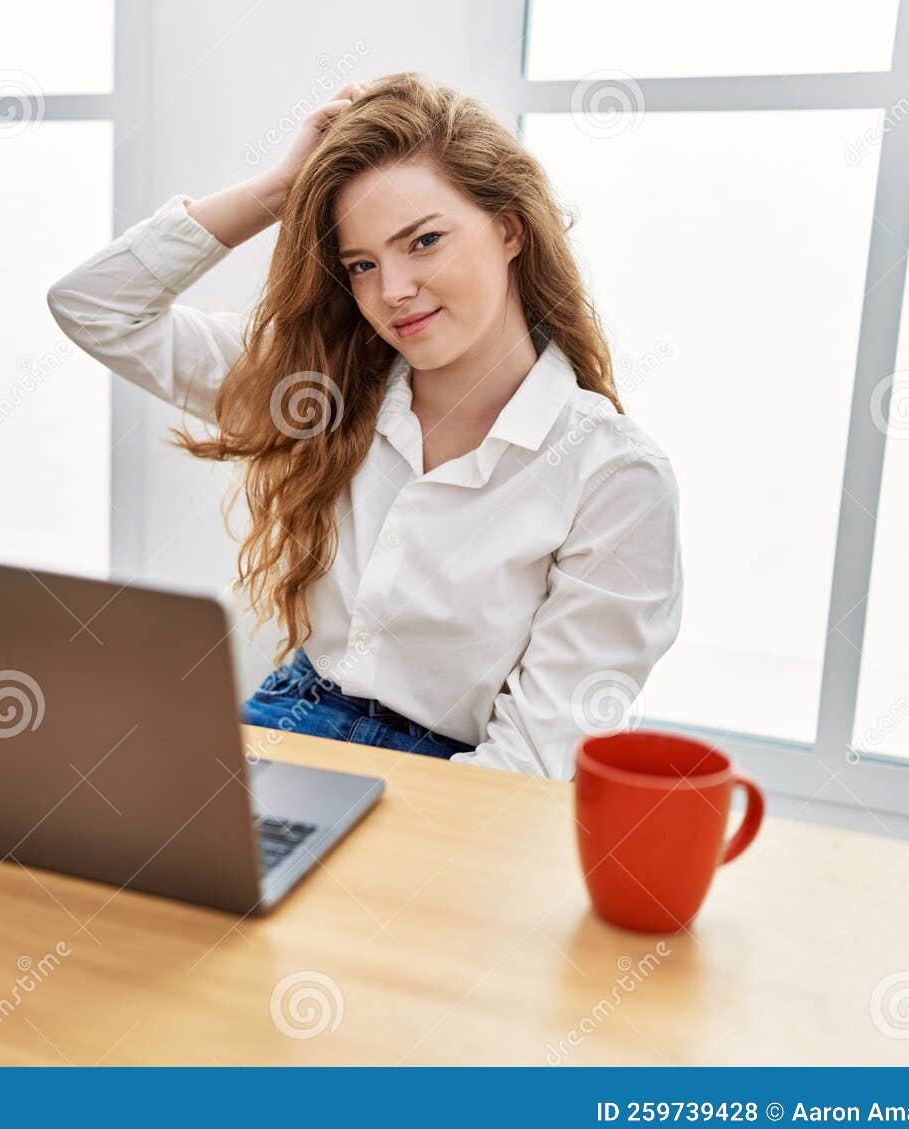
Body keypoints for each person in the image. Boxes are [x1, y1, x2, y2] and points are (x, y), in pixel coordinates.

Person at [46, 72, 682, 779]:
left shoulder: (614, 475)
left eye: (425, 241)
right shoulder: (323, 387)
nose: (394, 291)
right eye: (362, 263)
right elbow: (93, 305)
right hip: (281, 727)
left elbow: (535, 755)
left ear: (509, 229)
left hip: (456, 777)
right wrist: (281, 189)